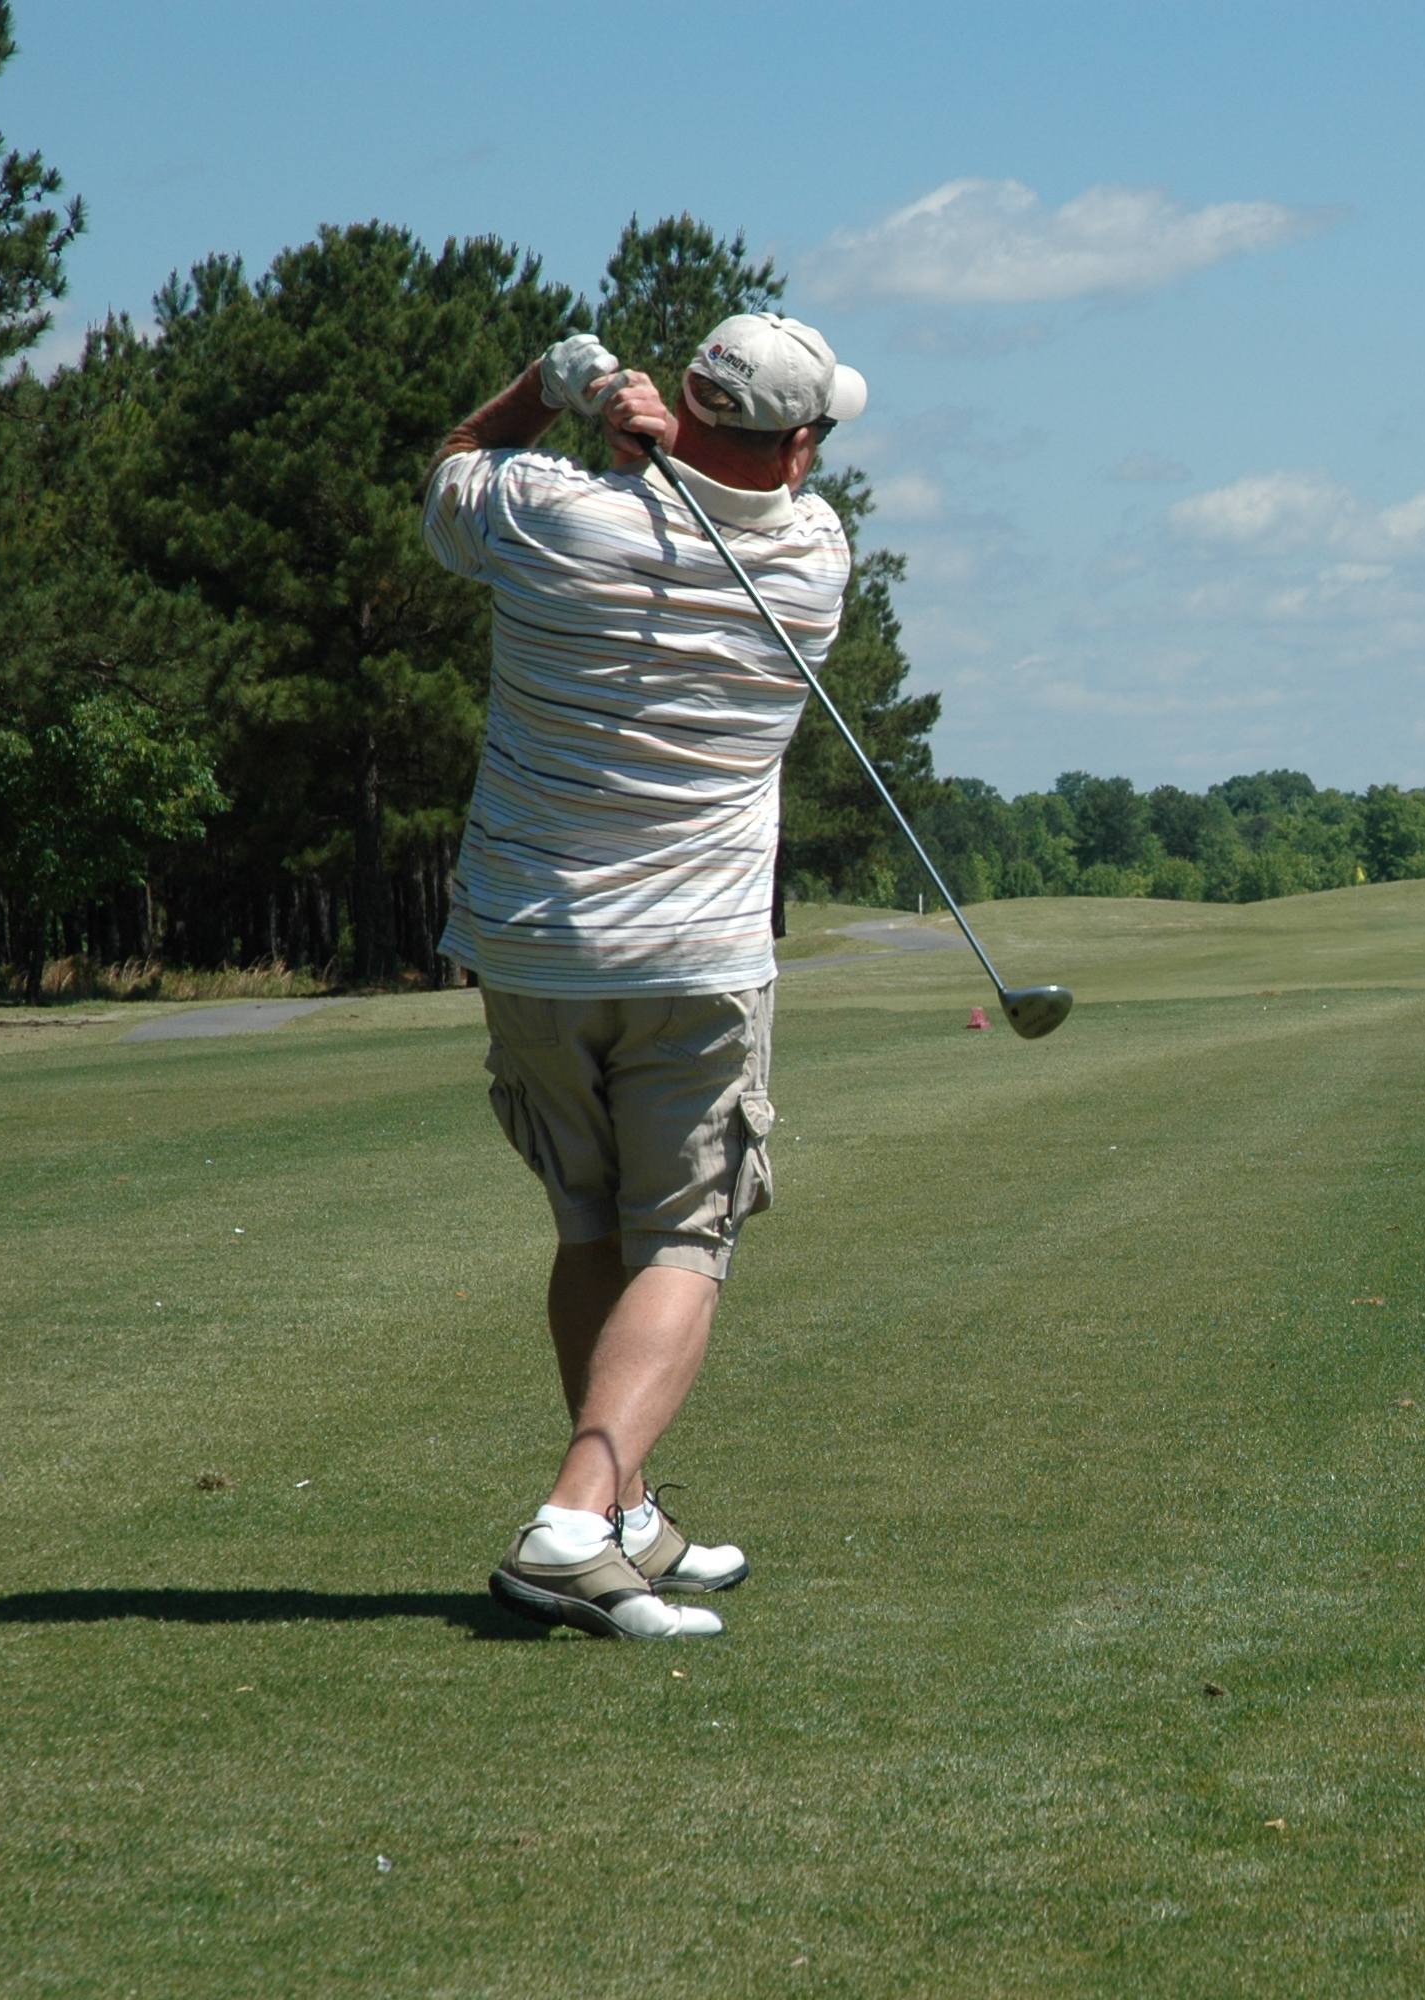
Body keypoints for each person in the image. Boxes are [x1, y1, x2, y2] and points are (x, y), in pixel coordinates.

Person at [421, 314, 868, 1638]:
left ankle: (625, 1515)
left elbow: (455, 467)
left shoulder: (552, 517)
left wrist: (561, 386)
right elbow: (740, 490)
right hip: (696, 955)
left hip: (530, 949)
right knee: (682, 1238)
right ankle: (571, 1523)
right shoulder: (814, 555)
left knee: (589, 1226)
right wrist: (657, 437)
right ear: (795, 446)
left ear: (684, 395)